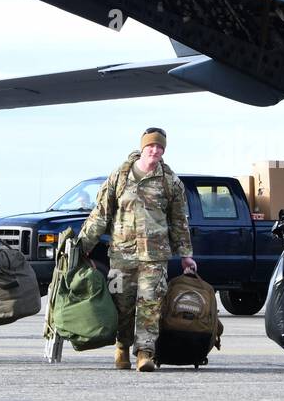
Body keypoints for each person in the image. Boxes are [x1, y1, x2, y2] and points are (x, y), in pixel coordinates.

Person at [79, 128, 196, 373]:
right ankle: (122, 346)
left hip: (155, 257)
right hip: (121, 256)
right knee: (120, 302)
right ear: (142, 148)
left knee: (150, 304)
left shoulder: (170, 181)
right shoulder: (120, 176)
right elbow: (101, 214)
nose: (155, 151)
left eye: (160, 147)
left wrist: (186, 255)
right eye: (151, 146)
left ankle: (145, 352)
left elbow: (179, 221)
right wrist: (83, 246)